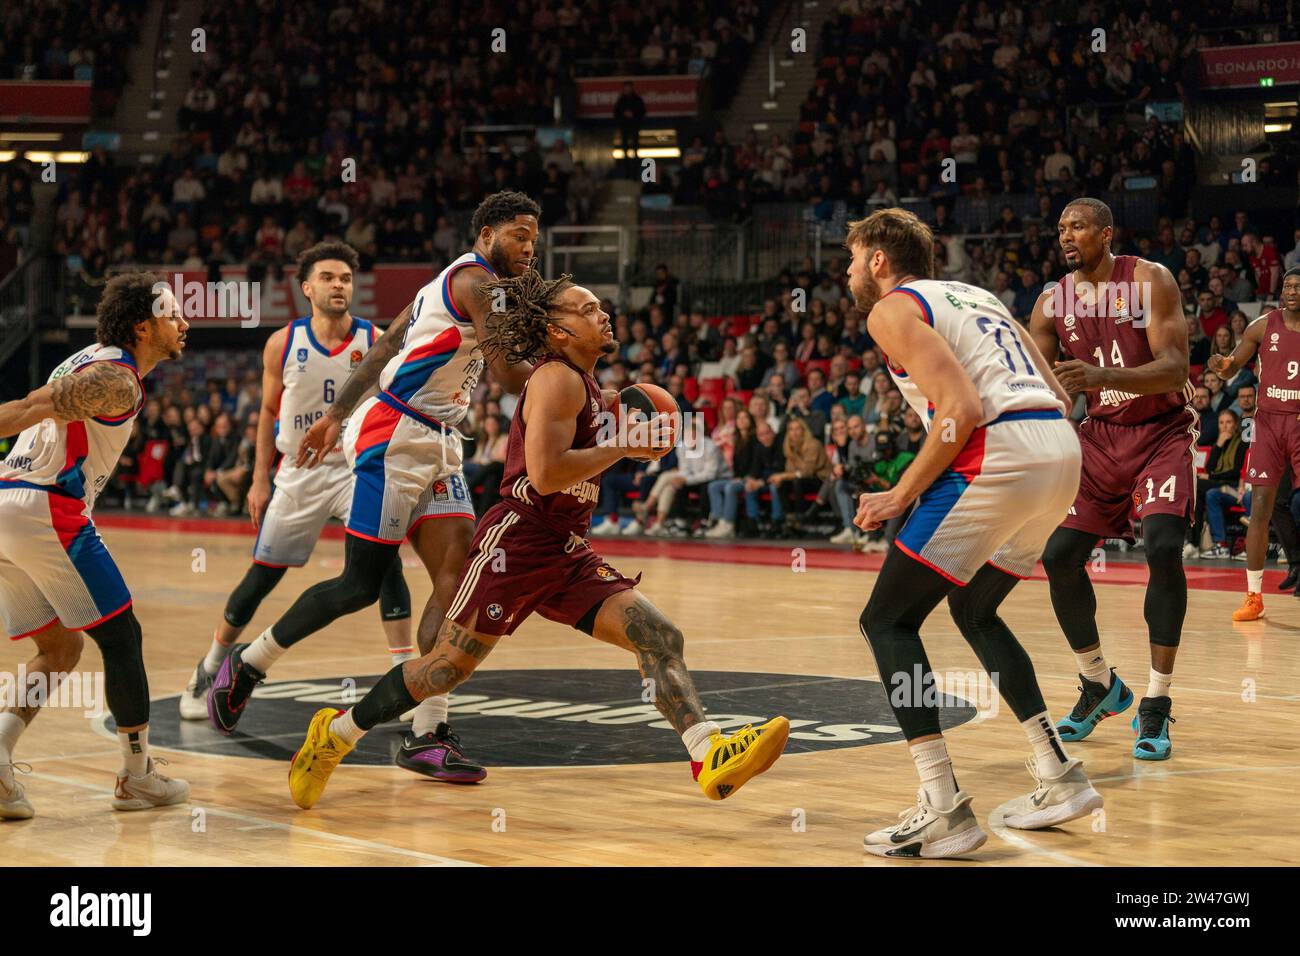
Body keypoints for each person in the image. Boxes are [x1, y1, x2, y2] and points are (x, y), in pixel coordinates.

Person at [285, 271, 789, 809]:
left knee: (660, 636)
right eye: (588, 309)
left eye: (600, 307)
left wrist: (632, 433)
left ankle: (707, 752)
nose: (604, 314)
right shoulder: (556, 380)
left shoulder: (589, 384)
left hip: (567, 548)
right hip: (518, 542)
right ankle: (335, 735)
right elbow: (547, 476)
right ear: (558, 331)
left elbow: (595, 437)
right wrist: (622, 446)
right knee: (444, 669)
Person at [206, 192, 541, 783]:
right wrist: (572, 367)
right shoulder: (477, 282)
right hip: (395, 434)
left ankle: (427, 732)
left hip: (439, 439)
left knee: (456, 580)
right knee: (359, 584)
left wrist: (336, 417)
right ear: (486, 233)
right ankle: (249, 663)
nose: (529, 246)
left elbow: (385, 345)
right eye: (519, 234)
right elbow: (511, 373)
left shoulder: (446, 286)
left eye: (534, 237)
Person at [847, 208, 1099, 859]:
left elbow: (960, 409)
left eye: (852, 258)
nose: (848, 271)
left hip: (1002, 452)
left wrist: (901, 493)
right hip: (1060, 452)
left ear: (878, 258)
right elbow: (1059, 390)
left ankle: (942, 807)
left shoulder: (891, 309)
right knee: (973, 606)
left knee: (888, 621)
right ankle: (1058, 772)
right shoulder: (978, 295)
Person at [178, 243, 415, 721]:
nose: (338, 285)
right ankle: (209, 666)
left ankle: (404, 676)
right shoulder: (283, 342)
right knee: (264, 574)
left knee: (385, 564)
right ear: (307, 287)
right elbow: (267, 412)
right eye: (328, 278)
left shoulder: (376, 338)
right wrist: (258, 480)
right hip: (299, 468)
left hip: (356, 465)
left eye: (346, 278)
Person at [0, 273, 191, 818]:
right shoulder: (116, 380)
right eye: (172, 314)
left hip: (7, 507)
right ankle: (136, 778)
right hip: (46, 512)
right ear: (142, 326)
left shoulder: (88, 359)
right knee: (123, 638)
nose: (184, 323)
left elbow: (27, 407)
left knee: (61, 648)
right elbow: (23, 409)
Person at [1029, 198, 1195, 762]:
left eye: (1076, 227)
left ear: (1106, 232)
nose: (1066, 236)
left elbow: (1175, 369)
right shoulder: (1053, 301)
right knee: (1058, 556)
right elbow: (1041, 387)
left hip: (1160, 432)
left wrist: (1099, 375)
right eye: (1060, 229)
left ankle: (1156, 699)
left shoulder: (1150, 280)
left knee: (1164, 546)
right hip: (1099, 438)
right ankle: (1099, 683)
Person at [1208, 269, 1300, 618]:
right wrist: (1222, 364)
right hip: (1268, 422)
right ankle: (1254, 596)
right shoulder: (1263, 325)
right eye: (1288, 286)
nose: (1292, 291)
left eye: (1298, 287)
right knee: (1260, 506)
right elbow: (1232, 366)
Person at [1199, 409, 1248, 559]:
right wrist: (1219, 445)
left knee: (1200, 486)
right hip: (1222, 487)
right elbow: (1209, 468)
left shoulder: (1242, 444)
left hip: (1236, 488)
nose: (1225, 426)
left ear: (1236, 424)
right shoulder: (1219, 443)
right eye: (1221, 423)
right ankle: (1221, 546)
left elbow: (1236, 472)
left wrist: (1213, 476)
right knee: (1210, 493)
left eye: (1228, 422)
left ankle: (1194, 541)